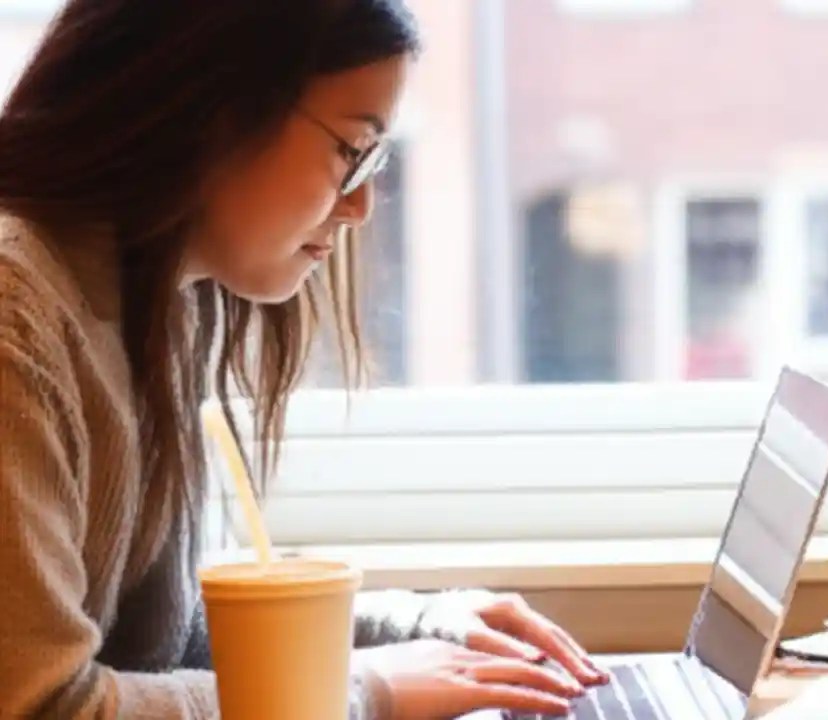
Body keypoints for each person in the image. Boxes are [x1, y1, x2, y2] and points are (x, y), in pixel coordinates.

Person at [0, 1, 607, 717]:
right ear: (211, 107)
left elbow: (162, 643)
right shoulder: (18, 328)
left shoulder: (154, 299)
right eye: (352, 152)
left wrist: (423, 630)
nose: (360, 208)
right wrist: (363, 691)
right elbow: (43, 707)